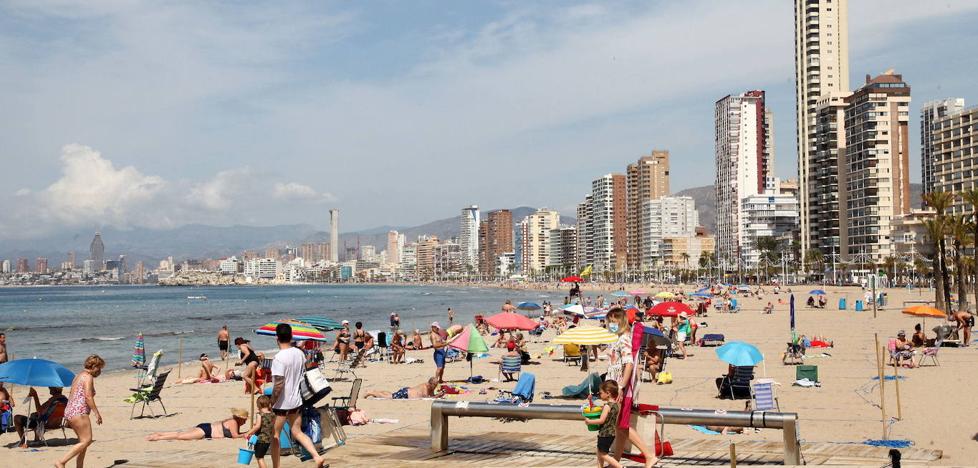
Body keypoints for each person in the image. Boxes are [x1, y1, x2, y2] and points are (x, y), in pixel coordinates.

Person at [269, 323, 328, 468]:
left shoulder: (278, 358)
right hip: (296, 400)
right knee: (297, 432)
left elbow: (278, 385)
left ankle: (276, 466)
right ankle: (316, 456)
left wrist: (271, 402)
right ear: (291, 337)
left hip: (282, 403)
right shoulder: (299, 353)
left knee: (274, 435)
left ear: (277, 338)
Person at [604, 308, 656, 467]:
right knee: (620, 426)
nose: (610, 325)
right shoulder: (618, 339)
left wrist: (621, 386)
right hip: (616, 387)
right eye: (609, 322)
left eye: (612, 322)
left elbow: (629, 363)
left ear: (620, 321)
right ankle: (616, 461)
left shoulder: (624, 339)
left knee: (622, 425)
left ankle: (649, 455)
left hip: (619, 389)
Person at [56, 354, 105, 468]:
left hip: (70, 410)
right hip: (79, 411)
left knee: (82, 443)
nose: (100, 371)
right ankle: (61, 462)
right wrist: (96, 413)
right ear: (94, 366)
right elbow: (88, 396)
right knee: (87, 441)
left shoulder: (78, 376)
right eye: (99, 368)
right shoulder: (88, 377)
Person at [146, 408, 249, 441]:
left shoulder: (233, 421)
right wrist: (247, 433)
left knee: (180, 434)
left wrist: (247, 432)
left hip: (206, 427)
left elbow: (235, 434)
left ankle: (159, 433)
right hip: (206, 431)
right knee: (180, 436)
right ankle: (157, 438)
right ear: (240, 418)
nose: (245, 422)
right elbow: (235, 436)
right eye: (244, 420)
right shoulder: (234, 422)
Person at [588, 380, 622, 468]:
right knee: (599, 452)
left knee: (603, 454)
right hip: (611, 433)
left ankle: (620, 466)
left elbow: (601, 420)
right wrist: (591, 400)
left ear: (608, 393)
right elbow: (598, 407)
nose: (600, 395)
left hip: (604, 434)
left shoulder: (607, 406)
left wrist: (589, 422)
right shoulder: (616, 405)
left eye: (601, 393)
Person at [243, 396, 275, 468]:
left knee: (260, 458)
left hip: (261, 440)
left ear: (258, 405)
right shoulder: (272, 414)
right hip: (268, 439)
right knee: (260, 456)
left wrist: (248, 433)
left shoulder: (259, 414)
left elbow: (257, 426)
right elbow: (270, 425)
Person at [365, 377, 443, 400]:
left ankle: (376, 392)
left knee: (391, 394)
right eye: (435, 385)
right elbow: (427, 398)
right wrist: (437, 396)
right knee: (389, 397)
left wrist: (439, 395)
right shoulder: (425, 387)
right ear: (430, 383)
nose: (436, 386)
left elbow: (432, 396)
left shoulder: (430, 387)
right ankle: (370, 392)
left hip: (407, 391)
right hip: (406, 394)